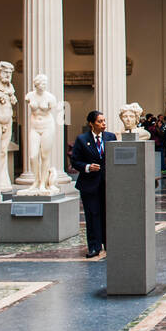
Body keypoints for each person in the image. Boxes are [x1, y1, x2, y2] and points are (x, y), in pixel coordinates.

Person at [70, 110, 116, 259]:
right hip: (89, 184)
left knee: (107, 214)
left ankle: (109, 244)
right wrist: (88, 167)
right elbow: (75, 161)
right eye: (99, 121)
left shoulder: (111, 137)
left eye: (104, 121)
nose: (103, 124)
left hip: (107, 183)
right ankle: (94, 246)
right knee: (92, 215)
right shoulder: (82, 139)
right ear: (91, 123)